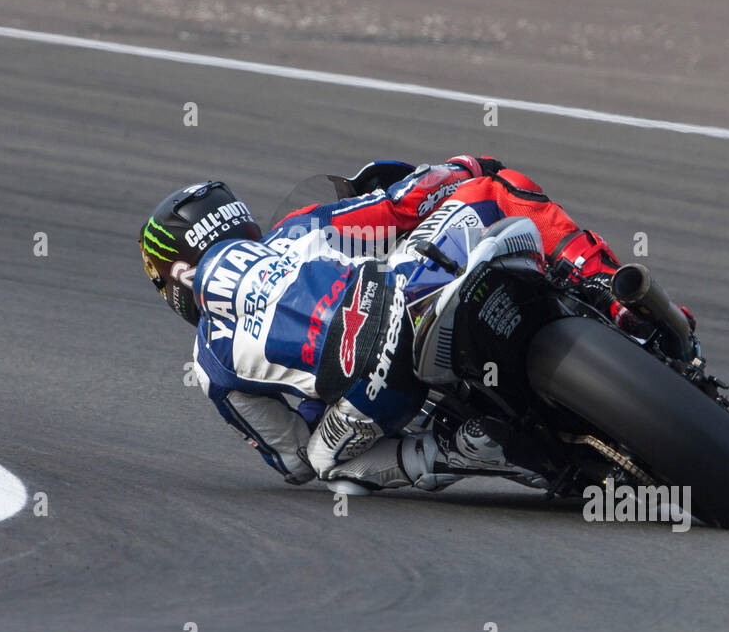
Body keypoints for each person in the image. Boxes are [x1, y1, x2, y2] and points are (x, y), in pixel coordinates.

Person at [138, 157, 692, 494]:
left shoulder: (209, 360)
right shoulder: (297, 229)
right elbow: (401, 206)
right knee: (493, 184)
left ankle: (455, 450)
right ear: (244, 226)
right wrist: (460, 169)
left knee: (324, 461)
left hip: (377, 402)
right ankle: (613, 294)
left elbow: (290, 460)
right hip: (406, 298)